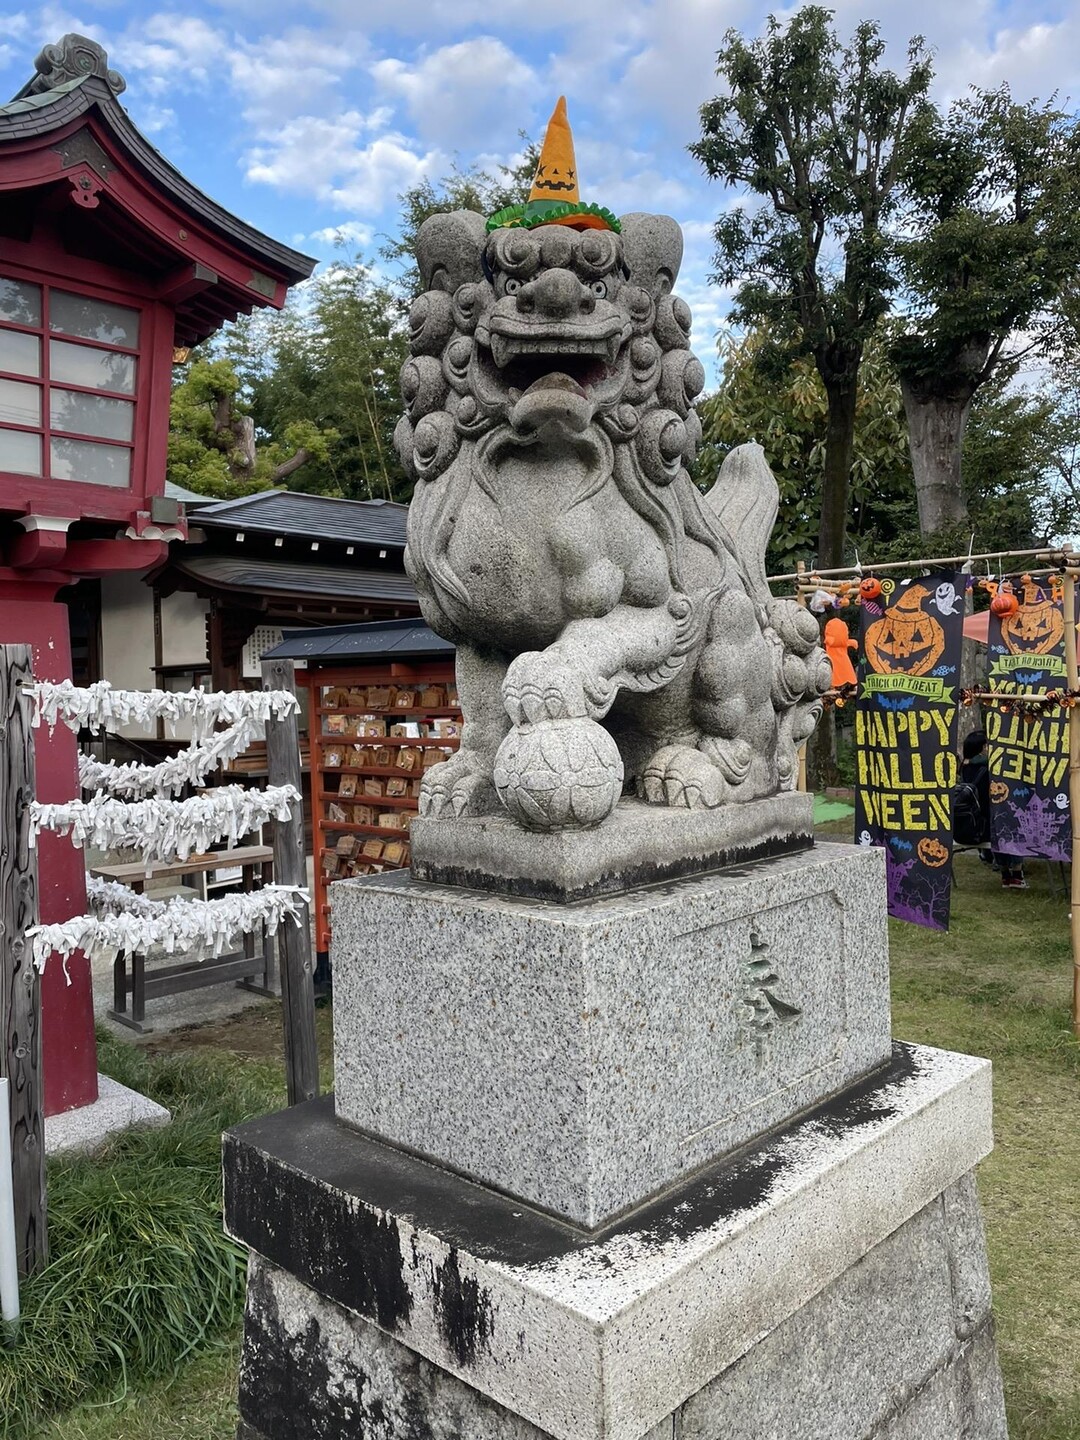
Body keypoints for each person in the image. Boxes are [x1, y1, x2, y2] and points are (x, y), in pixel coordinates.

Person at [959, 730, 1027, 888]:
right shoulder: (991, 767)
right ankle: (1017, 875)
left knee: (999, 823)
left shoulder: (964, 767)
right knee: (1013, 822)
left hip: (973, 825)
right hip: (990, 826)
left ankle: (1005, 875)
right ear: (983, 747)